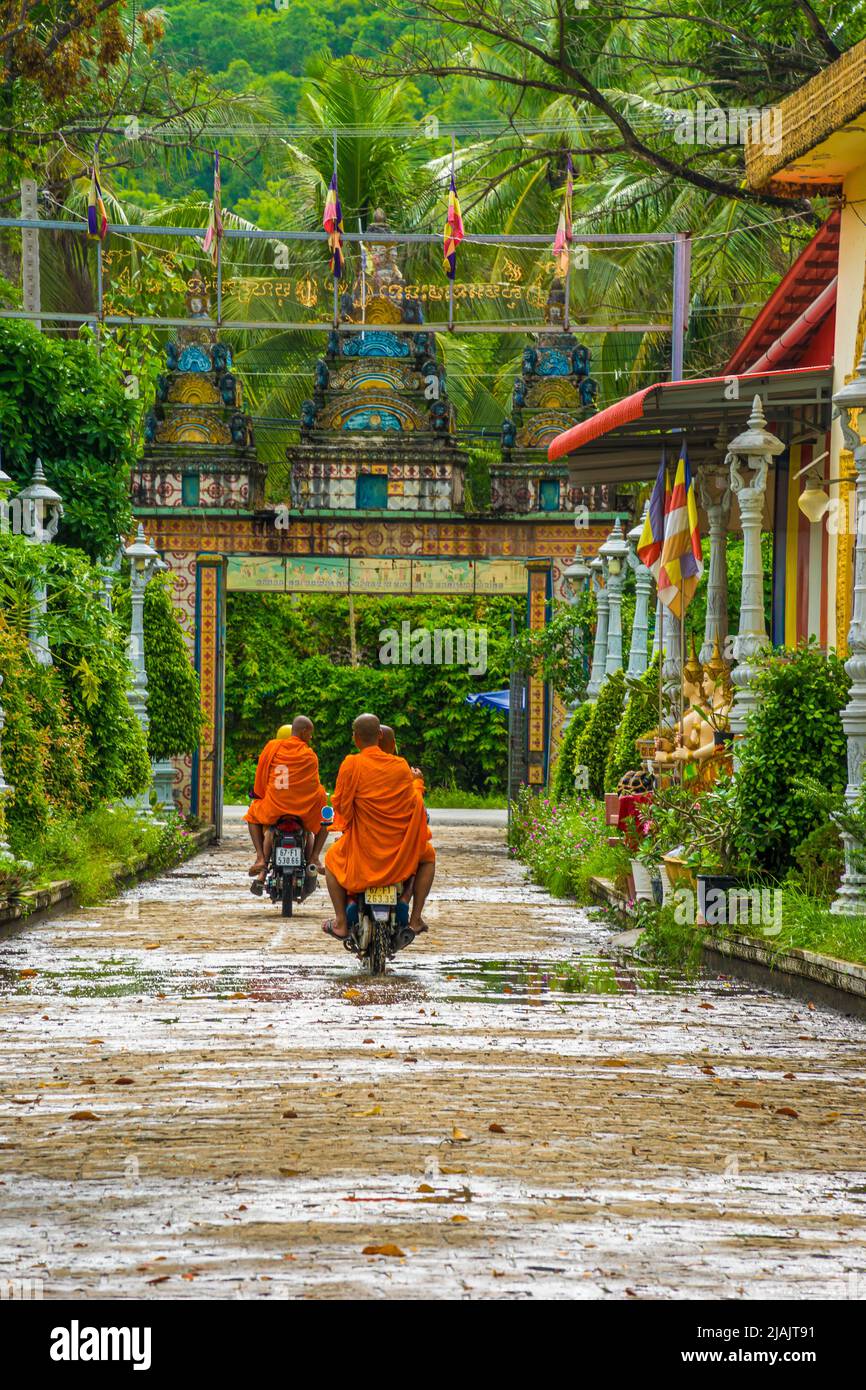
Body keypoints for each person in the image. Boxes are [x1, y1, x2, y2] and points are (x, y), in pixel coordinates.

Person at [323, 713, 435, 948]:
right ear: (382, 736)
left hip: (363, 849)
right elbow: (412, 807)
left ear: (355, 738)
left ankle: (341, 922)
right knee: (428, 857)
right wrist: (418, 784)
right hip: (397, 852)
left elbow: (341, 806)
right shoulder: (401, 767)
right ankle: (415, 919)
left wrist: (350, 821)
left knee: (332, 860)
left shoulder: (351, 764)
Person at [244, 716, 329, 892]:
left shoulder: (272, 747)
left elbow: (261, 776)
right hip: (302, 810)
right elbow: (314, 786)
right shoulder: (309, 755)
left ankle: (260, 858)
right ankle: (314, 858)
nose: (311, 738)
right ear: (304, 732)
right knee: (325, 818)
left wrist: (261, 794)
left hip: (275, 808)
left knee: (252, 815)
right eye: (310, 734)